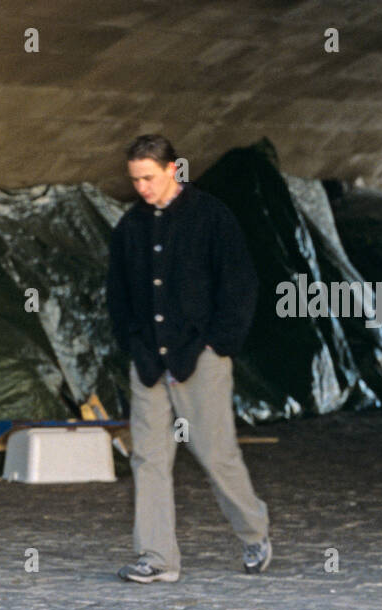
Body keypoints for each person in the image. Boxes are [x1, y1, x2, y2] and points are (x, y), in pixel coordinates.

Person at [107, 134, 270, 583]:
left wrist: (219, 344)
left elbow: (240, 284)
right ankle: (157, 557)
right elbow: (116, 293)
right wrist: (132, 341)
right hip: (148, 362)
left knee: (215, 454)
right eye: (135, 179)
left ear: (173, 170)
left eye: (148, 178)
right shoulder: (130, 227)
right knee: (149, 458)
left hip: (201, 357)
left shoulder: (212, 218)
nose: (142, 187)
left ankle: (254, 530)